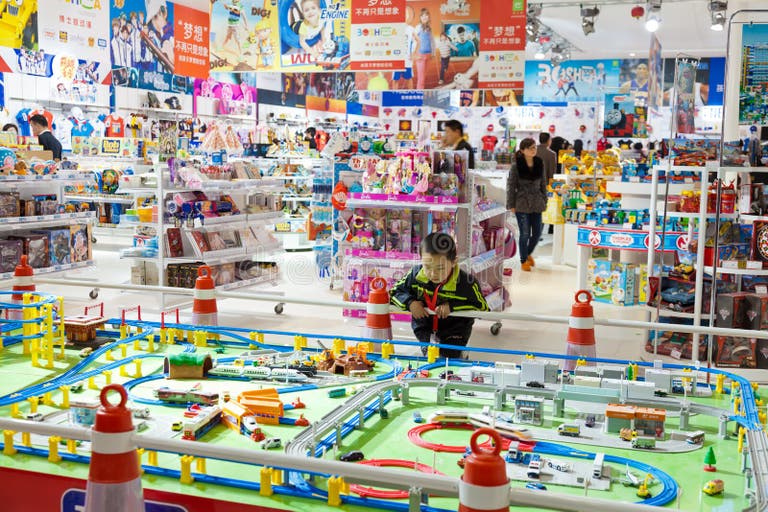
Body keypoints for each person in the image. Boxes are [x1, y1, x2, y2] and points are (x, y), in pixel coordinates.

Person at [391, 232, 488, 359]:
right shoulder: (415, 275)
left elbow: (482, 307)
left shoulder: (467, 283)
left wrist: (452, 306)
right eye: (427, 267)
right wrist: (410, 303)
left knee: (448, 361)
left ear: (454, 262)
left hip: (455, 331)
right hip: (424, 329)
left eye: (440, 268)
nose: (432, 273)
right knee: (431, 360)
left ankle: (461, 358)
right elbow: (393, 293)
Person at [508, 138, 547, 272]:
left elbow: (543, 184)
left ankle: (528, 252)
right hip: (522, 203)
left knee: (537, 233)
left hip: (537, 202)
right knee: (524, 233)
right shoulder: (516, 166)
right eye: (530, 148)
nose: (533, 150)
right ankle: (523, 259)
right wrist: (511, 204)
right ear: (523, 150)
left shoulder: (539, 163)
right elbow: (511, 186)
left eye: (534, 147)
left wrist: (545, 200)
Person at [393, 5, 415, 90]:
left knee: (409, 78)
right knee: (395, 79)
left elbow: (417, 42)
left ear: (408, 16)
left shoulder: (411, 29)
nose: (404, 16)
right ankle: (394, 95)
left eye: (406, 14)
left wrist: (413, 53)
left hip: (407, 59)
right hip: (397, 60)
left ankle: (411, 94)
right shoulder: (395, 27)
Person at [414, 8, 434, 90]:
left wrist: (433, 53)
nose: (424, 17)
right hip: (420, 55)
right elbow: (414, 40)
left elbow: (432, 41)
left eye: (426, 15)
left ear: (429, 17)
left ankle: (421, 91)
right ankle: (419, 94)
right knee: (421, 78)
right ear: (420, 17)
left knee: (424, 76)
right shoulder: (418, 27)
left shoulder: (429, 28)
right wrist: (415, 54)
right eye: (422, 15)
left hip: (428, 55)